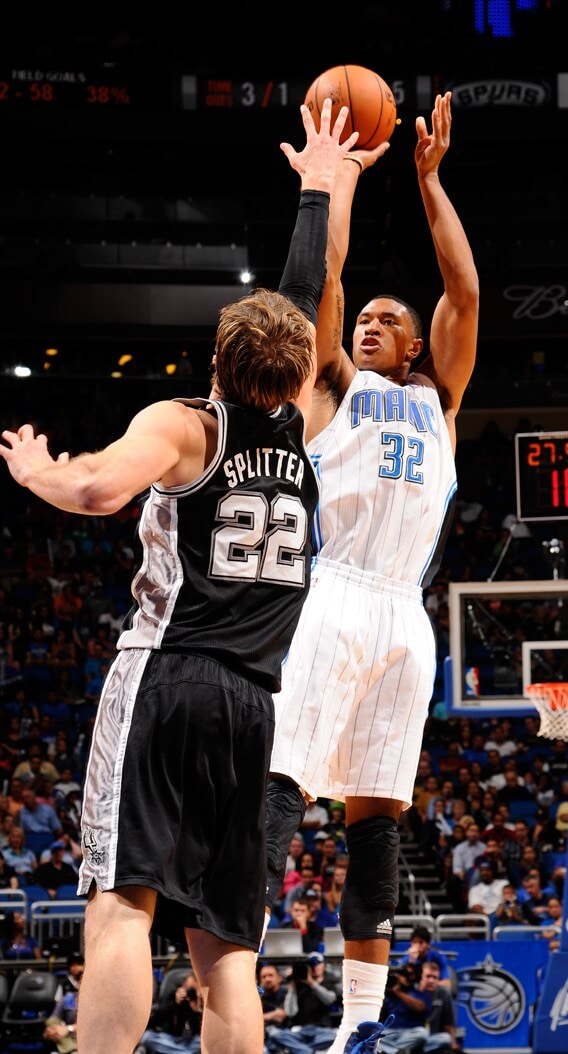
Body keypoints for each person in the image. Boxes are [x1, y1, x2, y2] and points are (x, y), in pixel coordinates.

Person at [0, 98, 357, 1054]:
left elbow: (100, 493)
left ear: (213, 360)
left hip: (168, 676)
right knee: (227, 951)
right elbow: (310, 299)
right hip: (254, 705)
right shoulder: (308, 434)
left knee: (122, 906)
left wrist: (40, 472)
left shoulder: (183, 424)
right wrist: (325, 190)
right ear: (294, 377)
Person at [264, 91, 479, 1054]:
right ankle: (233, 952)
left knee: (380, 821)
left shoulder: (441, 398)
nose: (372, 325)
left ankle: (358, 1025)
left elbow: (465, 292)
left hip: (406, 619)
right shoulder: (334, 392)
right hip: (337, 591)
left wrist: (431, 183)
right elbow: (326, 280)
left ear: (417, 344)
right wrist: (336, 180)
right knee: (283, 781)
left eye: (392, 320)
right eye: (368, 319)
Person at [136, 973, 203, 1054]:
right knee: (147, 1037)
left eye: (192, 990)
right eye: (187, 988)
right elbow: (161, 1024)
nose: (189, 992)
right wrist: (175, 1005)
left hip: (189, 1041)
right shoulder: (171, 998)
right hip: (170, 1039)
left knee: (202, 1041)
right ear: (182, 986)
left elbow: (197, 1032)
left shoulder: (200, 1003)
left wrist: (196, 1009)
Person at [400, 926, 451, 990]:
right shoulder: (406, 960)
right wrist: (412, 960)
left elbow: (447, 984)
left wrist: (428, 983)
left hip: (433, 992)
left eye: (421, 942)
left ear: (428, 944)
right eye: (414, 942)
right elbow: (404, 982)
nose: (417, 946)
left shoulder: (438, 957)